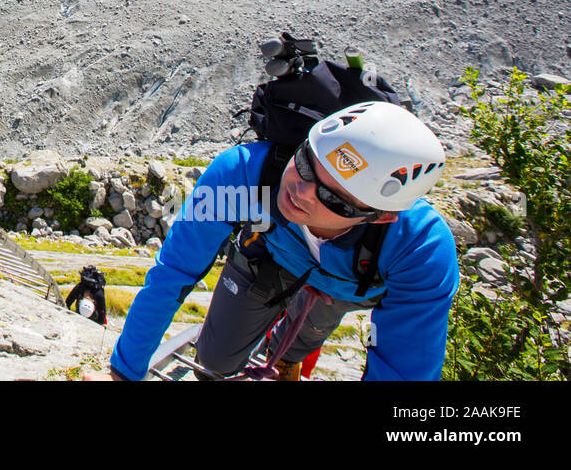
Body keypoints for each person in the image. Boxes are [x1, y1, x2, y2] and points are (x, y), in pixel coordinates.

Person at [93, 101, 460, 380]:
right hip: (274, 260)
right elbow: (173, 273)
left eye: (332, 198)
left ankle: (289, 350)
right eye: (304, 162)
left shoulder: (421, 248)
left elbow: (404, 371)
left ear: (381, 216)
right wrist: (124, 372)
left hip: (343, 287)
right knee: (216, 360)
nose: (299, 190)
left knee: (303, 338)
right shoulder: (242, 175)